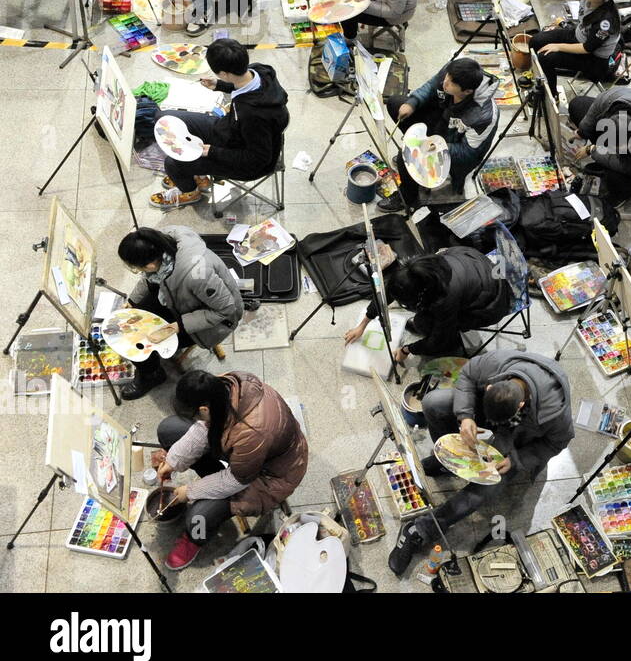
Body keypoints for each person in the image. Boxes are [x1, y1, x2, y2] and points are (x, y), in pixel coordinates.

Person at [388, 353, 573, 575]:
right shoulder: (497, 365)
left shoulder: (555, 414)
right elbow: (466, 375)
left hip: (517, 440)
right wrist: (466, 416)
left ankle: (421, 529)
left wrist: (517, 460)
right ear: (490, 387)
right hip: (491, 411)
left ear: (521, 404)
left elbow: (556, 444)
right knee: (433, 402)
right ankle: (447, 461)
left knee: (489, 487)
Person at [152, 371, 308, 570]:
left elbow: (237, 479)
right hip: (246, 457)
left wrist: (189, 491)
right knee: (168, 429)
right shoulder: (223, 386)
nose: (194, 418)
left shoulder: (254, 432)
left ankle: (194, 540)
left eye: (193, 414)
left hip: (271, 475)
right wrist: (173, 461)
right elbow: (203, 427)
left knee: (197, 518)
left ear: (204, 409)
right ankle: (213, 480)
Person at [151, 39, 289, 209]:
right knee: (165, 117)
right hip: (230, 130)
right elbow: (243, 86)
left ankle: (190, 192)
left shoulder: (252, 114)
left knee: (172, 164)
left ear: (224, 73)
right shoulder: (261, 70)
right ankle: (195, 174)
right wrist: (220, 85)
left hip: (247, 162)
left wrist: (213, 152)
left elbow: (257, 159)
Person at [116, 227, 243, 400]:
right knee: (135, 320)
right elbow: (149, 280)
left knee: (142, 341)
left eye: (138, 268)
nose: (140, 272)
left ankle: (152, 375)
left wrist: (179, 326)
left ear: (151, 265)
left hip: (213, 321)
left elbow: (226, 310)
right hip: (180, 298)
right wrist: (133, 301)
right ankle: (151, 367)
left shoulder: (198, 275)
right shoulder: (163, 241)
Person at [343, 248, 514, 360]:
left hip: (492, 300)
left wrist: (407, 350)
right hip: (475, 264)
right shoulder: (421, 268)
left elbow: (437, 340)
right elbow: (390, 290)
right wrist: (364, 322)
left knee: (424, 323)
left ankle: (453, 343)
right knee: (423, 320)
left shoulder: (445, 298)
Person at [383, 57, 499, 205]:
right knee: (395, 104)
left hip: (454, 145)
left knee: (405, 156)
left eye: (451, 84)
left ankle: (408, 197)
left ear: (467, 91)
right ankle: (415, 165)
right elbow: (432, 86)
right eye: (446, 77)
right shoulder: (452, 72)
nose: (445, 83)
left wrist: (437, 145)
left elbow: (468, 153)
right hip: (443, 119)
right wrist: (412, 103)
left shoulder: (483, 116)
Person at [527, 0, 621, 93]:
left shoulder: (605, 22)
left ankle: (550, 94)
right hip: (578, 35)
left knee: (546, 57)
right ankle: (535, 76)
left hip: (593, 59)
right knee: (535, 41)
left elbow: (588, 48)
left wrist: (558, 47)